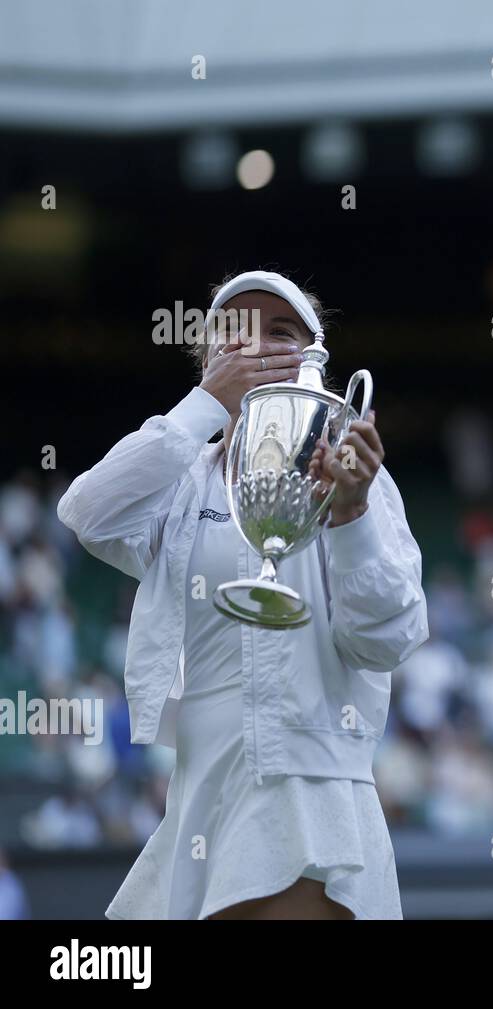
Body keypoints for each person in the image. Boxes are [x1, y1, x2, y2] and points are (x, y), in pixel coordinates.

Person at [57, 270, 428, 919]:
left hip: (312, 792)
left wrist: (354, 513)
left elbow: (387, 638)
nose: (256, 350)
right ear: (208, 361)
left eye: (280, 335)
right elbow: (87, 512)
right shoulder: (180, 488)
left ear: (315, 364)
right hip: (201, 796)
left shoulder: (360, 481)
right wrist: (204, 403)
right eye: (235, 339)